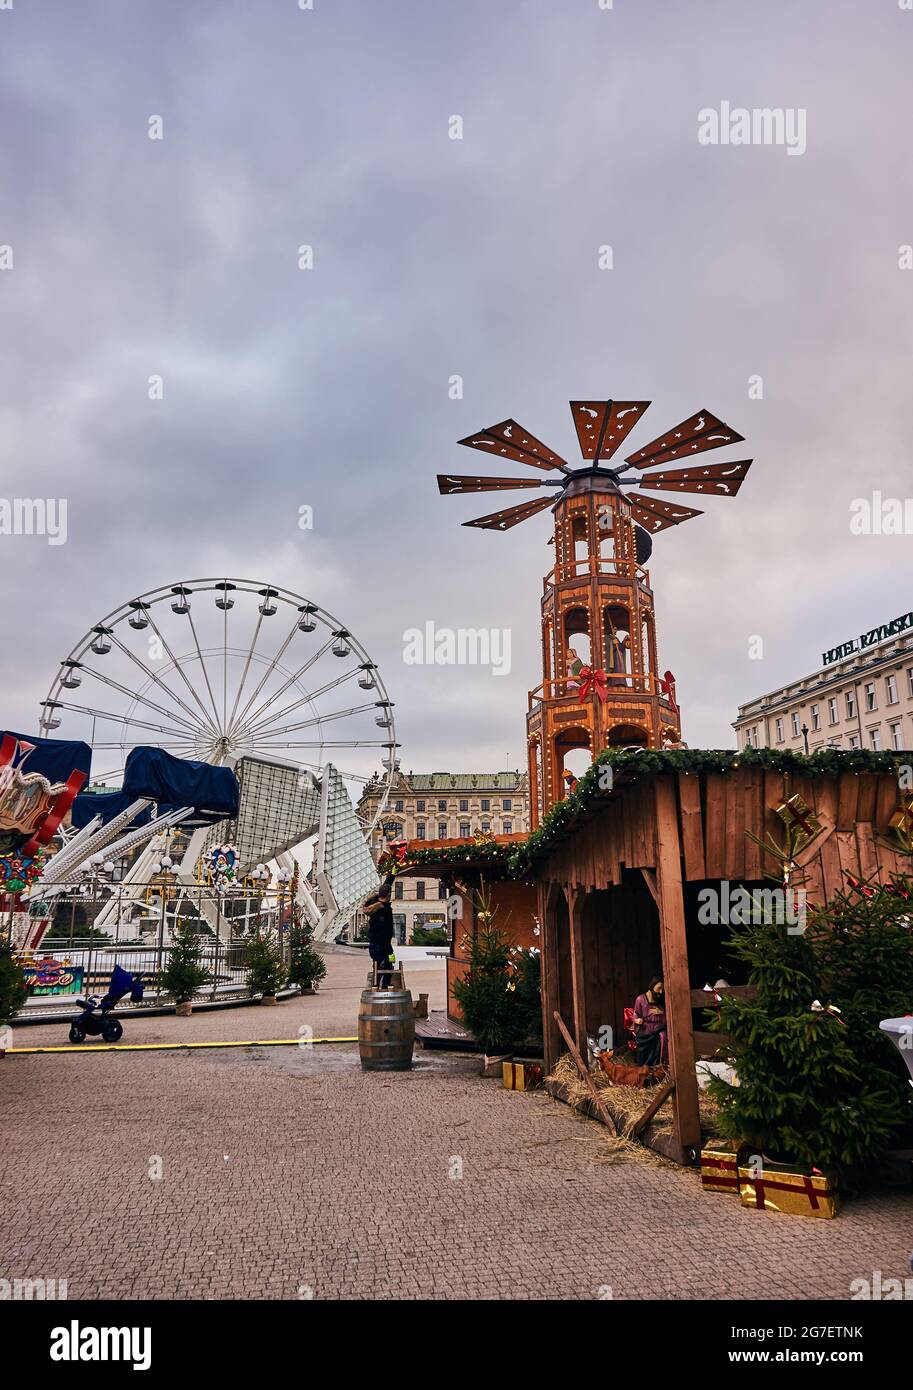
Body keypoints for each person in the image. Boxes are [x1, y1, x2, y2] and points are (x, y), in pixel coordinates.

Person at [363, 882, 396, 988]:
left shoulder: (373, 905)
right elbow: (384, 931)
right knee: (386, 966)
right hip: (383, 945)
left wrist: (391, 876)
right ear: (388, 895)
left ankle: (377, 986)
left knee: (378, 965)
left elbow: (386, 885)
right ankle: (384, 987)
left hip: (375, 944)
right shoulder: (384, 909)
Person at [632, 976, 666, 1067]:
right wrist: (637, 1020)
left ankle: (657, 1066)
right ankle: (642, 1067)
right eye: (659, 988)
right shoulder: (640, 999)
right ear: (652, 987)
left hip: (657, 1031)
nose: (660, 992)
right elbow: (635, 1013)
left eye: (662, 989)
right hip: (645, 1031)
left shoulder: (661, 1000)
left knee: (661, 1040)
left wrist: (661, 1013)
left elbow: (667, 1017)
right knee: (643, 1053)